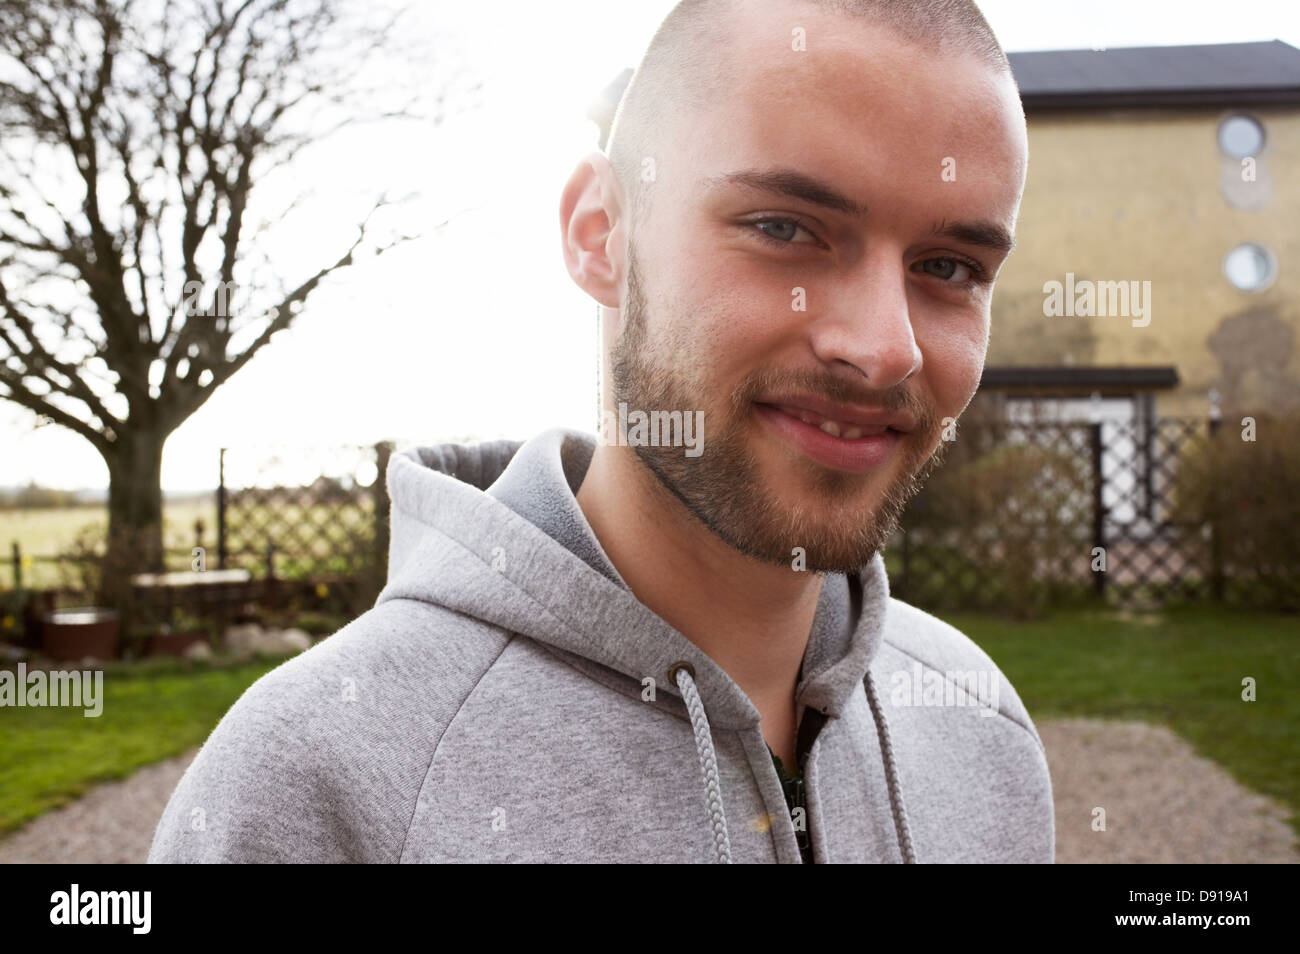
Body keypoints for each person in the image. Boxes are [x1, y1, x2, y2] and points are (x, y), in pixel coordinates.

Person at [149, 0, 1052, 864]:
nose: (884, 348)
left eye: (949, 266)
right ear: (601, 234)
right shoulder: (315, 783)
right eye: (786, 228)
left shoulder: (983, 730)